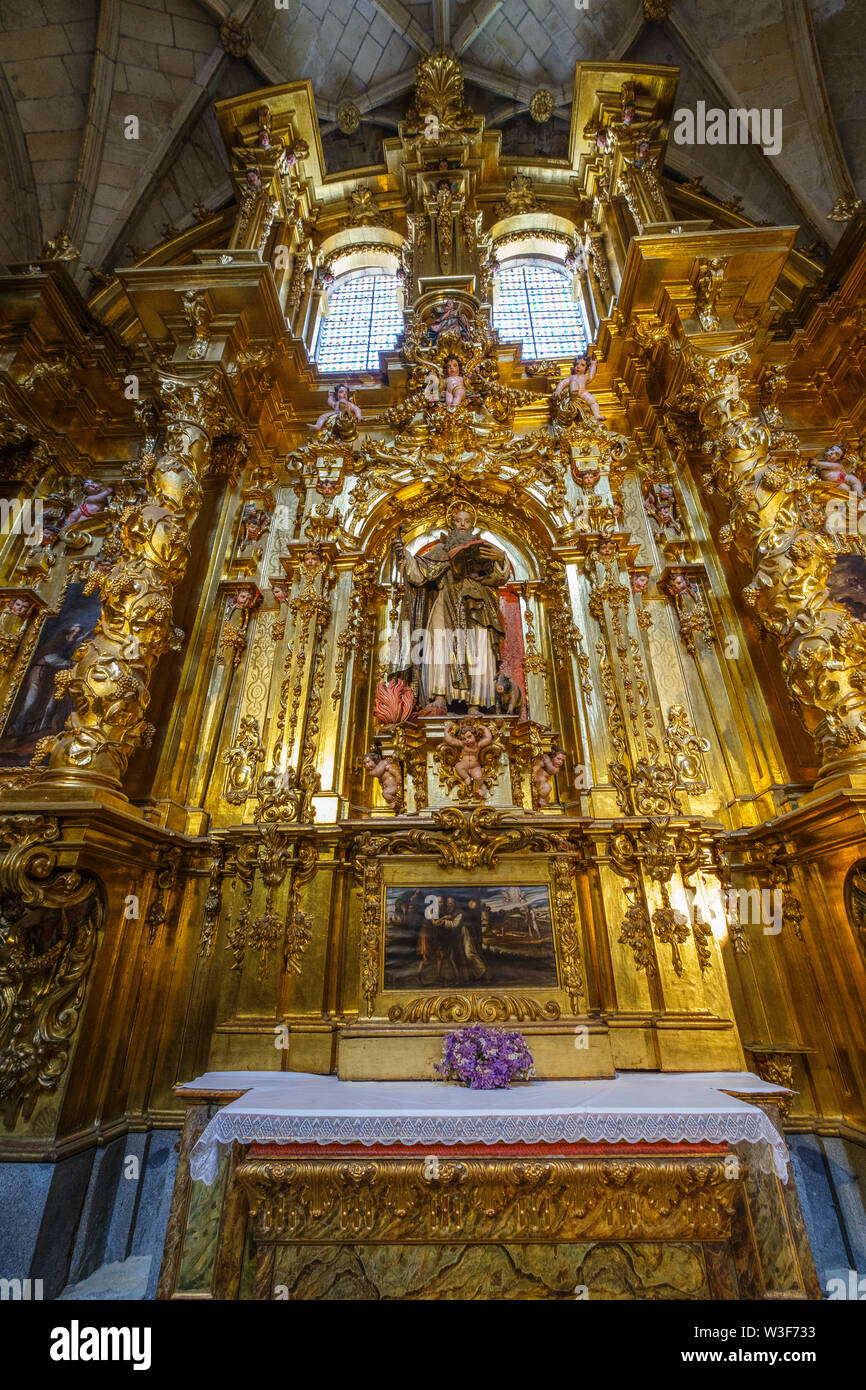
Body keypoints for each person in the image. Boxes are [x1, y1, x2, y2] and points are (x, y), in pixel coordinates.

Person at [395, 504, 510, 713]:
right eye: (459, 520)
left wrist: (501, 558)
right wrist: (404, 554)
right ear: (452, 524)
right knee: (440, 644)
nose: (463, 524)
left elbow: (500, 577)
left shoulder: (486, 549)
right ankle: (439, 696)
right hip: (446, 599)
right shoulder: (440, 551)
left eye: (467, 521)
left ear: (472, 525)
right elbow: (420, 573)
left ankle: (474, 705)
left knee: (478, 649)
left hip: (476, 605)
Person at [554, 355, 602, 421]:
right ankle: (574, 393)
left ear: (586, 368)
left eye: (582, 365)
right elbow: (563, 383)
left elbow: (591, 375)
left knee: (593, 401)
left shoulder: (585, 377)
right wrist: (558, 390)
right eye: (576, 364)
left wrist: (593, 365)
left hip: (583, 393)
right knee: (574, 383)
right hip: (573, 393)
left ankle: (597, 415)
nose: (578, 366)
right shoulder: (572, 377)